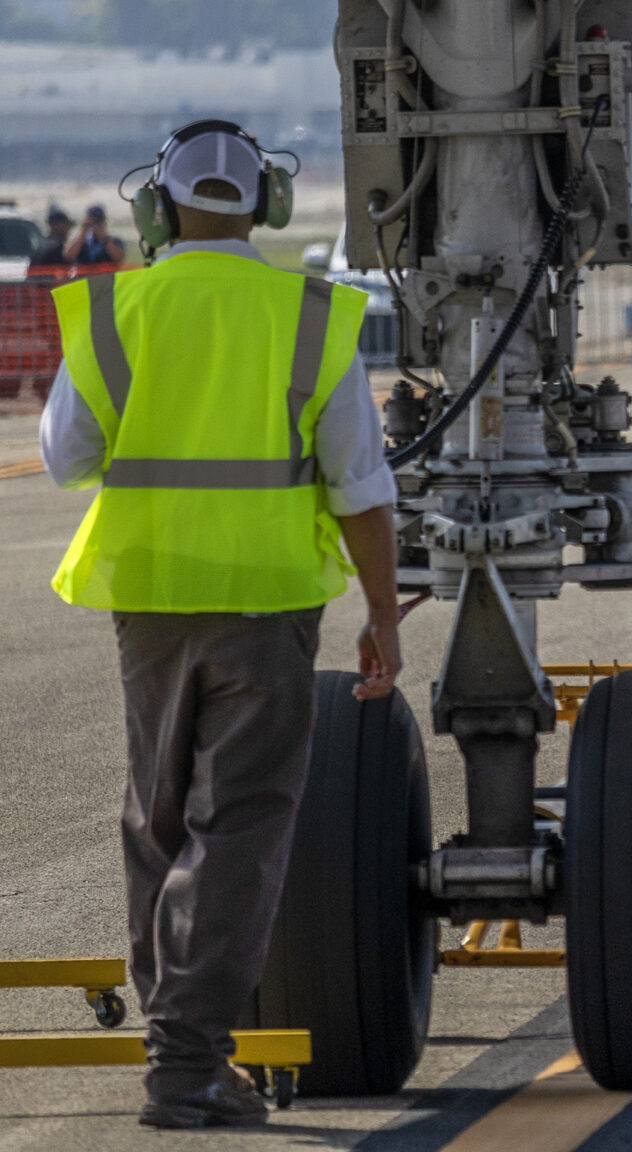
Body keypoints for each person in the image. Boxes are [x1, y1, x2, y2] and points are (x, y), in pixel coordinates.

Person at [38, 120, 399, 1126]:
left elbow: (64, 457)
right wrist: (382, 614)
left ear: (157, 210)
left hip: (149, 602)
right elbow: (361, 488)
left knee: (156, 821)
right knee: (237, 830)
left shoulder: (118, 311)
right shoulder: (310, 319)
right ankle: (187, 1060)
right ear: (265, 208)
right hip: (265, 605)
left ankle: (184, 1049)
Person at [27, 206, 73, 270]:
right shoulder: (56, 247)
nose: (68, 228)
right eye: (66, 224)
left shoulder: (42, 245)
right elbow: (60, 272)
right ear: (55, 225)